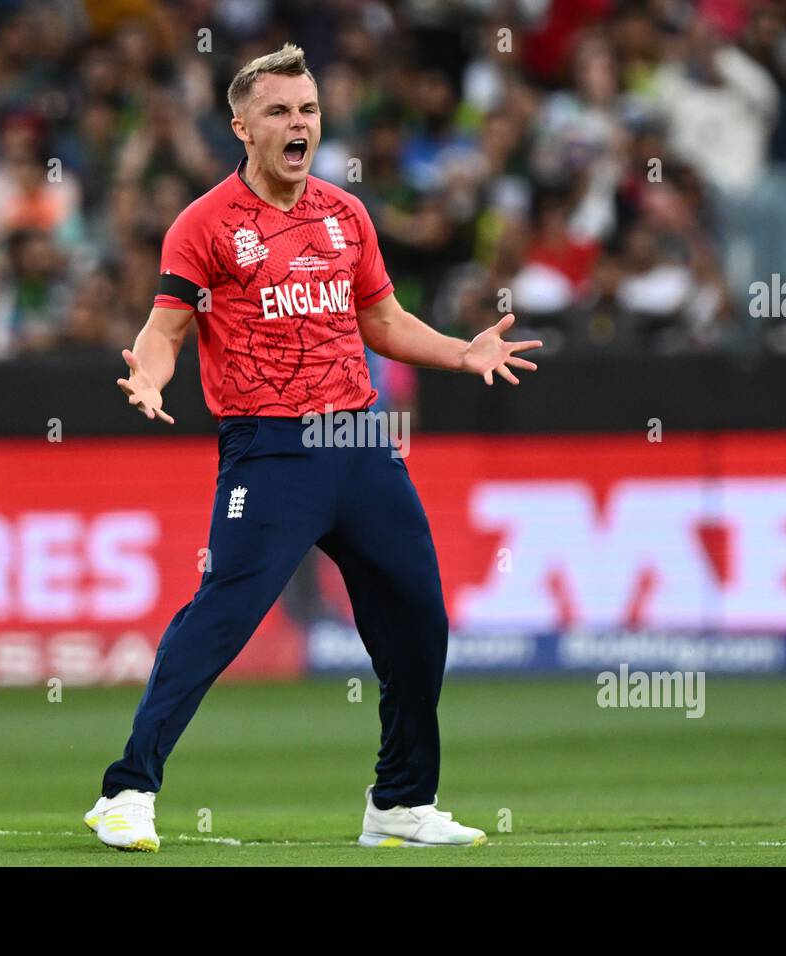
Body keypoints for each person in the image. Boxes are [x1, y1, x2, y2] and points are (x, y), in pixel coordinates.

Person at [84, 44, 541, 852]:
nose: (300, 125)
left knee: (418, 619)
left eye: (309, 111)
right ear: (242, 127)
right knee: (222, 615)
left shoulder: (346, 214)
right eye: (280, 112)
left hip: (361, 443)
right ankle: (127, 790)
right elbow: (165, 329)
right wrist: (150, 379)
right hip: (271, 449)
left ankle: (400, 802)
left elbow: (384, 322)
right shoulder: (205, 225)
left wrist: (462, 351)